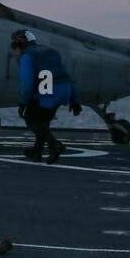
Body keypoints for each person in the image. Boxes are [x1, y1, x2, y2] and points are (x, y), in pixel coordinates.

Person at [12, 28, 81, 164]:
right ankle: (36, 152)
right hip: (64, 90)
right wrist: (74, 100)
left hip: (49, 91)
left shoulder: (26, 56)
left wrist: (23, 103)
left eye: (14, 45)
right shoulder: (50, 51)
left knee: (32, 120)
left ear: (20, 44)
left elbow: (27, 83)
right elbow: (66, 75)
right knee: (42, 122)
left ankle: (54, 145)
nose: (14, 49)